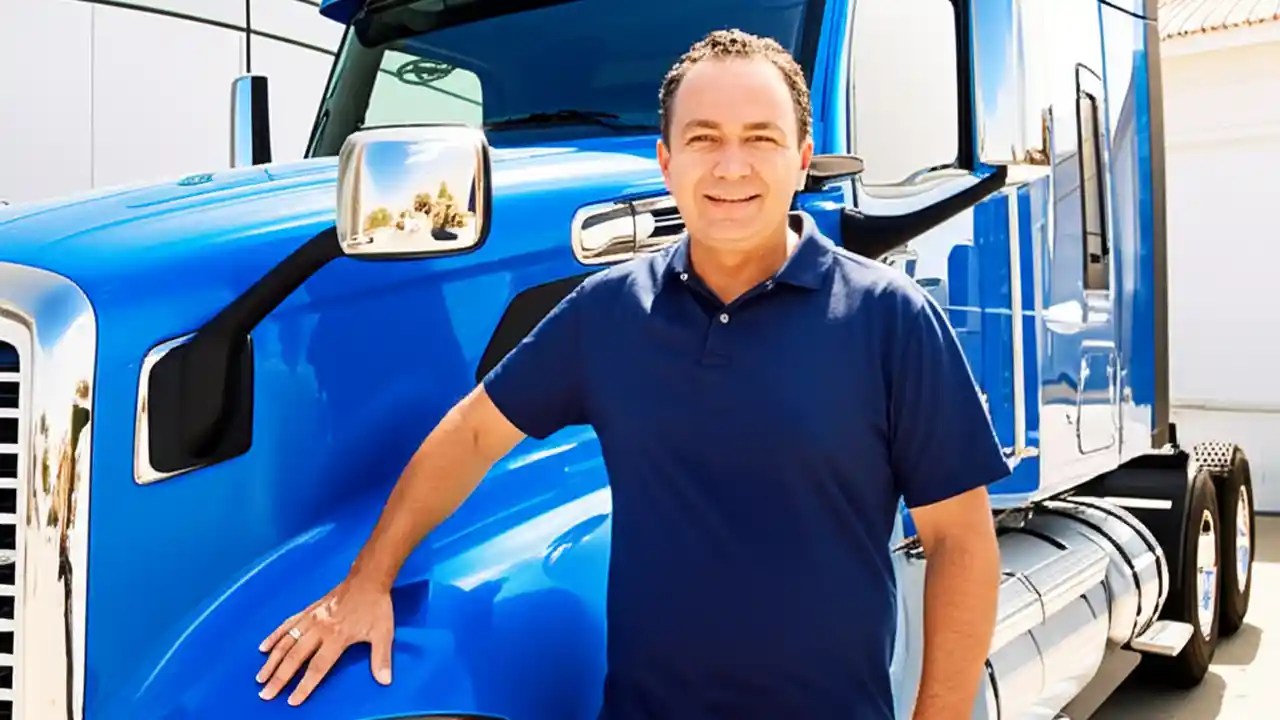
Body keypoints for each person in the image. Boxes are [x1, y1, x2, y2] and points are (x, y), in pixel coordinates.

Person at [255, 29, 1009, 719]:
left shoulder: (890, 318)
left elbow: (960, 543)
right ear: (665, 160)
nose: (732, 165)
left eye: (761, 138)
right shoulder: (611, 311)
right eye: (704, 138)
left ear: (803, 156)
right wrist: (368, 580)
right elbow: (475, 429)